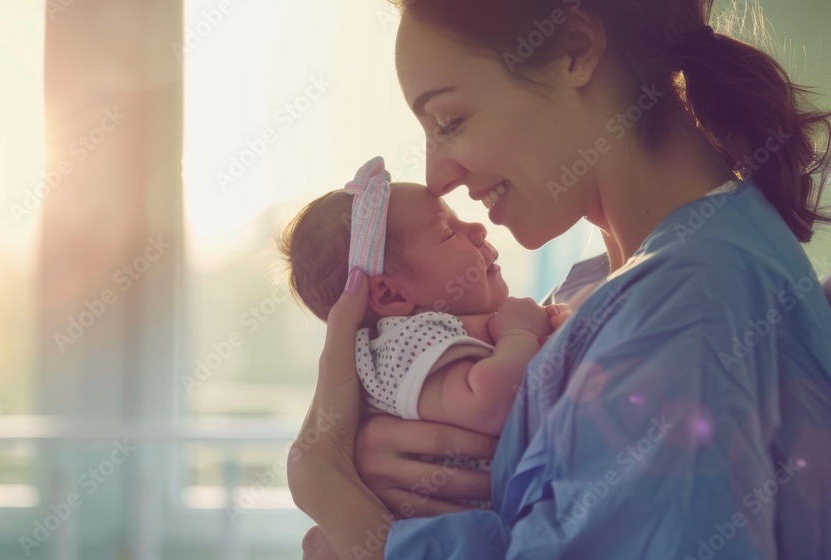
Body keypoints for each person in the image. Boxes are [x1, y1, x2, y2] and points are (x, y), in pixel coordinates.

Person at [286, 1, 831, 559]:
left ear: (575, 50)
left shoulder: (689, 311)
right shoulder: (602, 291)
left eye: (451, 121)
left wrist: (337, 500)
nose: (437, 178)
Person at [279, 158, 572, 508]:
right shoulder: (407, 343)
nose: (477, 227)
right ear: (392, 295)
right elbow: (489, 405)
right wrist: (521, 334)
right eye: (448, 232)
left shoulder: (451, 333)